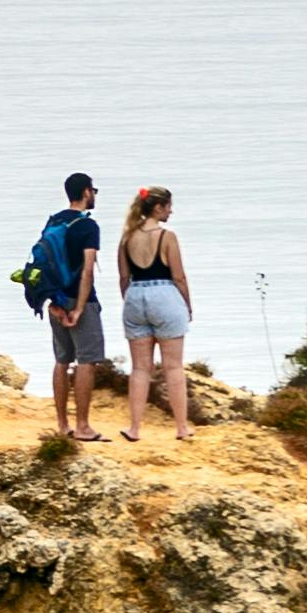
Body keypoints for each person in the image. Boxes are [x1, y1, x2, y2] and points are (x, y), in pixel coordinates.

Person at [22, 174, 110, 436]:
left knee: (61, 360)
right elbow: (87, 271)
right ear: (85, 192)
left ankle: (62, 425)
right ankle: (82, 426)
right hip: (79, 299)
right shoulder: (87, 227)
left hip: (55, 300)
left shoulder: (54, 221)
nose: (94, 194)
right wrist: (80, 308)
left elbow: (44, 264)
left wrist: (54, 302)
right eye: (93, 190)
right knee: (87, 361)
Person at [117, 184, 200, 440]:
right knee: (173, 367)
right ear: (157, 207)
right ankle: (181, 428)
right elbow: (179, 276)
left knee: (140, 368)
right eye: (168, 206)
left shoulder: (127, 237)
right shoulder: (167, 237)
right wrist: (187, 304)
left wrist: (130, 301)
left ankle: (134, 428)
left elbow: (123, 277)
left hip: (135, 296)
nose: (171, 211)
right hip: (164, 296)